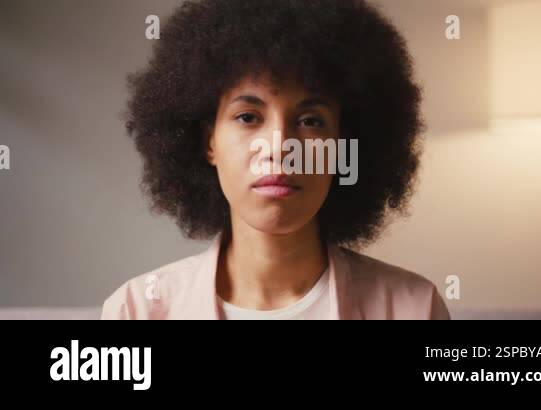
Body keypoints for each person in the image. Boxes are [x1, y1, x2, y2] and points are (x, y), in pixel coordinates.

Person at [101, 0, 450, 320]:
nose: (280, 146)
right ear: (208, 141)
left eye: (310, 121)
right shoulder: (138, 311)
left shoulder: (413, 309)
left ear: (343, 145)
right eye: (248, 117)